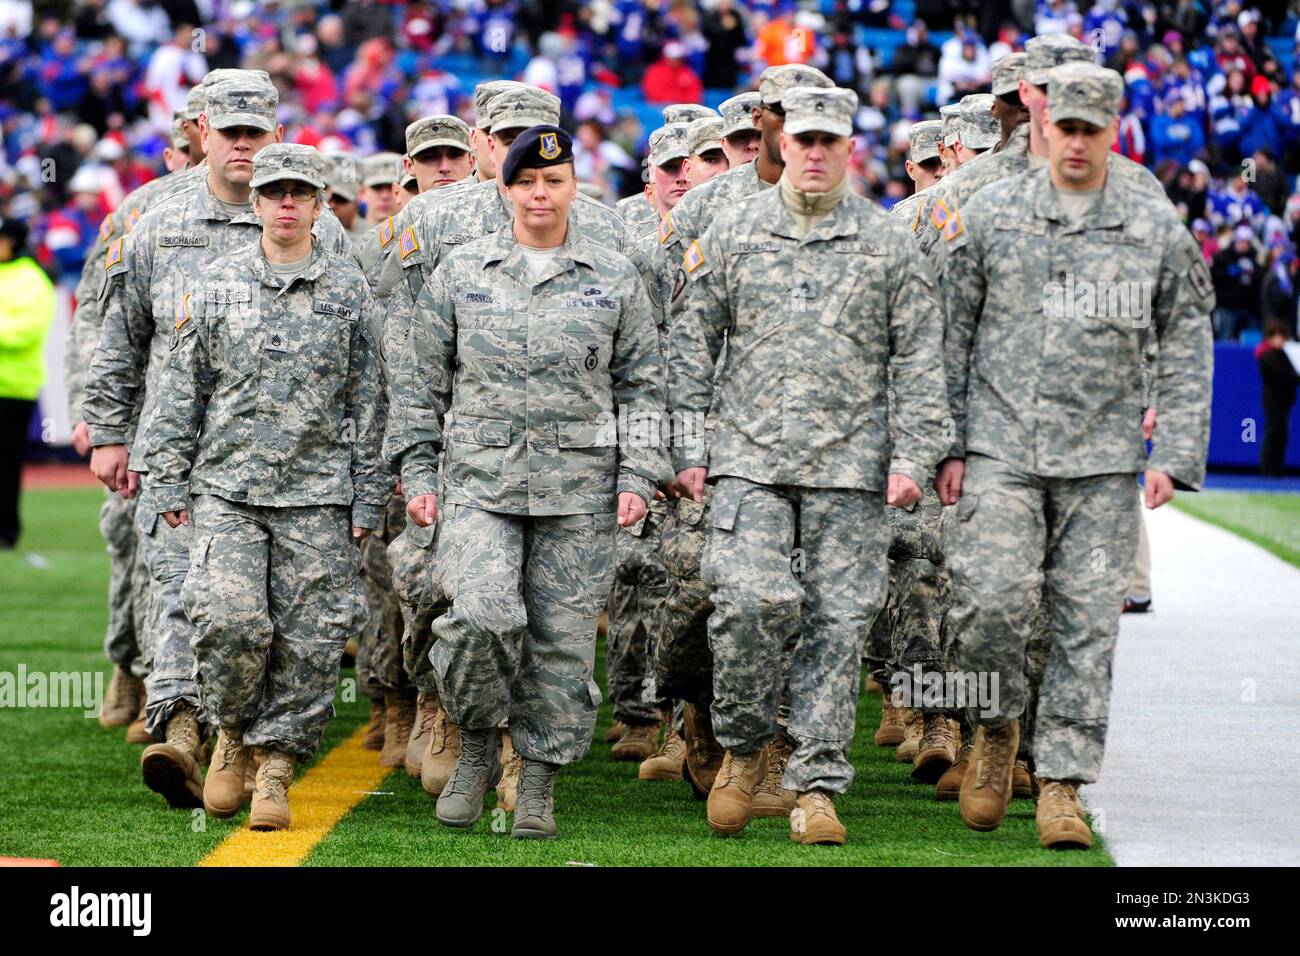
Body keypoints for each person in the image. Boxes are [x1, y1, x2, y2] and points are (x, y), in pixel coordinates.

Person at [937, 61, 1213, 849]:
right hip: (1000, 446)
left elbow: (1189, 337)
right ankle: (993, 730)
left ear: (1112, 132)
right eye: (1067, 128)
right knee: (988, 602)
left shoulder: (1150, 218)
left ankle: (1061, 780)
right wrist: (944, 445)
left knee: (1087, 622)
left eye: (1094, 129)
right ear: (1044, 127)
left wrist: (1176, 450)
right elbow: (947, 331)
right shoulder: (992, 211)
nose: (1078, 143)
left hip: (1100, 455)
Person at [669, 86, 949, 845]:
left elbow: (922, 358)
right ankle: (742, 749)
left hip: (851, 471)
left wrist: (915, 456)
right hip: (750, 464)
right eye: (804, 140)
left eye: (831, 141)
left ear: (850, 148)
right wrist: (688, 450)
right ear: (781, 143)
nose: (817, 153)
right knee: (752, 605)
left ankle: (817, 786)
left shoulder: (888, 242)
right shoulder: (733, 231)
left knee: (837, 624)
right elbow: (692, 344)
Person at [388, 125, 670, 839]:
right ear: (505, 189)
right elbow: (420, 384)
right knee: (480, 616)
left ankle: (539, 781)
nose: (540, 193)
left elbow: (642, 385)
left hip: (580, 490)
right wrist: (418, 469)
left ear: (574, 185)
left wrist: (639, 472)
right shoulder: (463, 270)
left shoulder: (612, 275)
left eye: (554, 180)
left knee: (562, 645)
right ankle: (479, 742)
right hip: (480, 484)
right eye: (526, 182)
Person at [83, 73, 351, 808]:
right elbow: (119, 335)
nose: (240, 145)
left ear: (274, 136)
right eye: (228, 132)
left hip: (297, 465)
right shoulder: (158, 221)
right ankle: (182, 727)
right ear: (203, 133)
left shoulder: (321, 231)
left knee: (272, 616)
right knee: (184, 593)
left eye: (254, 133)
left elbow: (363, 354)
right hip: (184, 450)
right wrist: (109, 430)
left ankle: (238, 738)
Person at [141, 143, 386, 831]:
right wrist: (166, 476)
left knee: (310, 641)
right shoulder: (217, 283)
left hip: (319, 495)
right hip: (228, 488)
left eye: (299, 193)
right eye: (274, 191)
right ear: (257, 202)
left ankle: (275, 769)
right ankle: (230, 738)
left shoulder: (347, 290)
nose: (285, 203)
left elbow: (372, 402)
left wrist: (369, 495)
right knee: (228, 620)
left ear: (316, 205)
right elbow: (181, 388)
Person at [0, 216, 55, 550]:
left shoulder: (33, 280)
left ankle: (6, 531)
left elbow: (25, 333)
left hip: (13, 388)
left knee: (6, 465)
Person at [1257, 319, 1299, 476]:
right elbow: (1283, 375)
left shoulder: (1284, 354)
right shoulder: (1267, 355)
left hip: (1285, 400)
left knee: (1282, 434)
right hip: (1273, 401)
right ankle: (1268, 468)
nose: (1281, 340)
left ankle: (1277, 467)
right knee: (1273, 433)